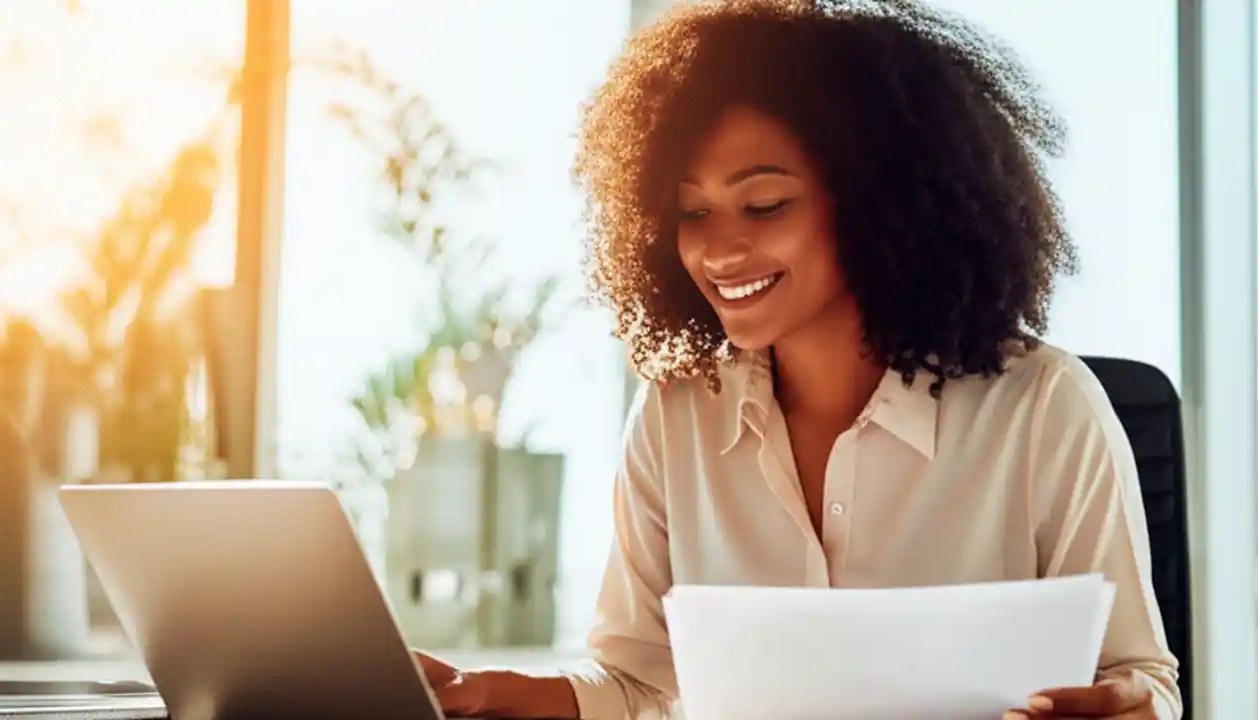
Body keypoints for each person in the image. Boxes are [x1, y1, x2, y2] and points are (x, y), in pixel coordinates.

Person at [415, 1, 1181, 718]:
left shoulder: (1045, 407)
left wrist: (1124, 708)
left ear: (878, 203)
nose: (719, 249)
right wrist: (500, 694)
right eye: (692, 212)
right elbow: (641, 682)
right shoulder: (676, 415)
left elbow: (1141, 679)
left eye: (765, 205)